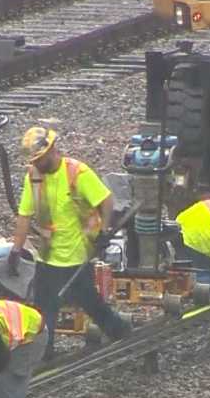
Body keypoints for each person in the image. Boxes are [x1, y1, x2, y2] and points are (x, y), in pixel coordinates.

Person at [8, 126, 131, 356]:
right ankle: (45, 351)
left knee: (88, 301)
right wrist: (16, 250)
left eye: (40, 158)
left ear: (52, 150)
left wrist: (104, 230)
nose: (37, 164)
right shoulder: (34, 177)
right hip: (48, 254)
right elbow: (24, 215)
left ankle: (121, 333)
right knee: (45, 306)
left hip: (76, 253)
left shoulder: (77, 173)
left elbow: (106, 200)